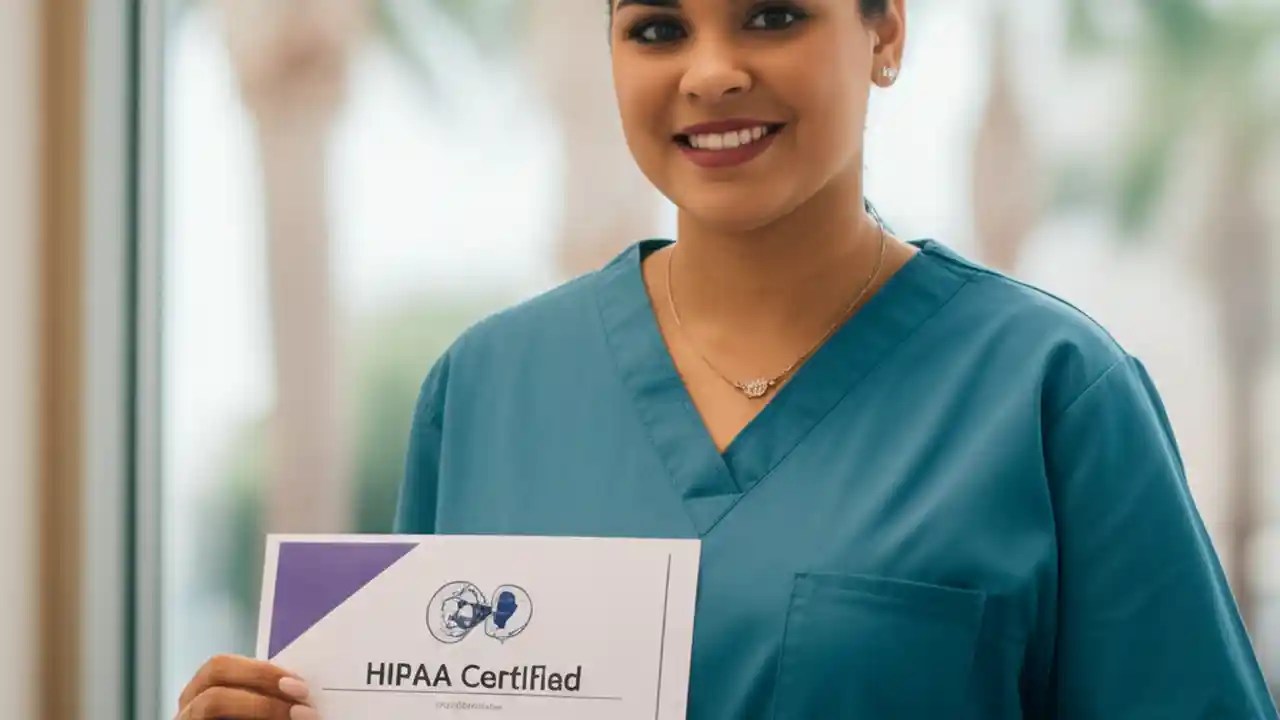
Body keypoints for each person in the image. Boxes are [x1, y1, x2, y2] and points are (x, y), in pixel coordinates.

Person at [175, 0, 1280, 718]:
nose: (708, 73)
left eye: (768, 16)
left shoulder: (1049, 392)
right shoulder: (483, 390)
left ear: (884, 32)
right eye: (655, 28)